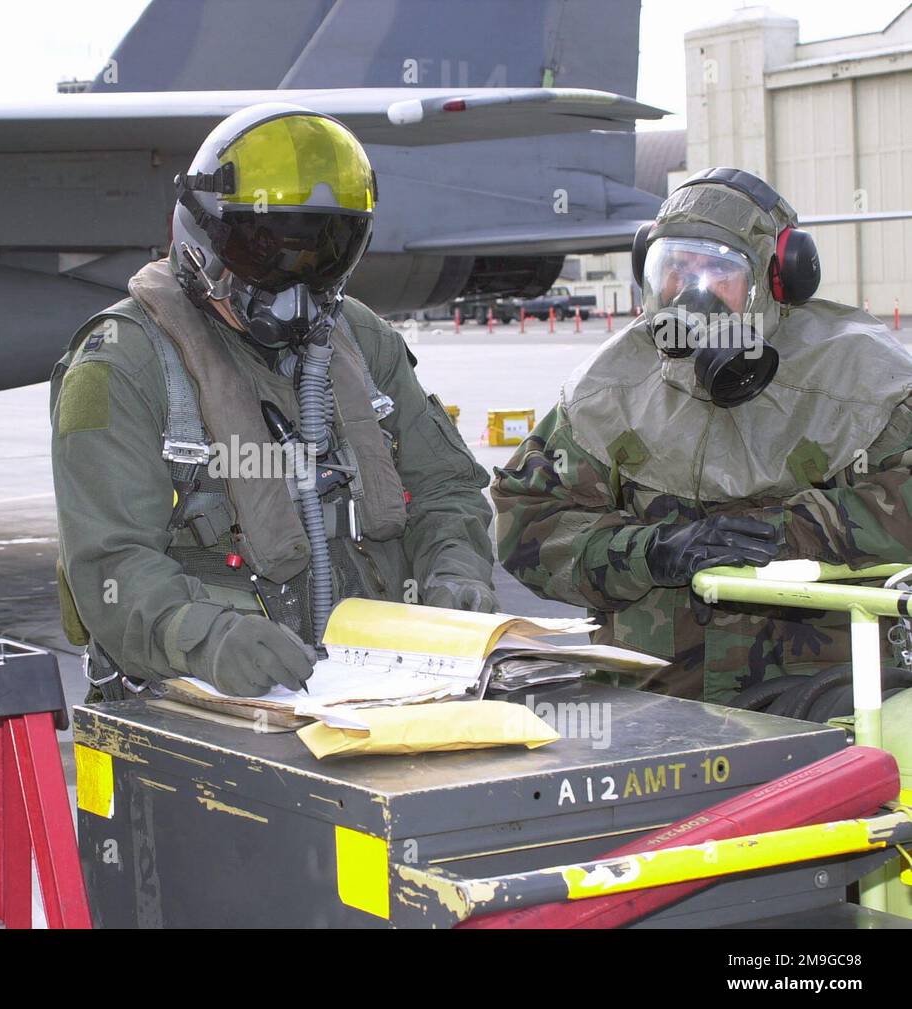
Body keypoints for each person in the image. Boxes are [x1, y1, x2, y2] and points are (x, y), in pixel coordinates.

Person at [51, 102, 496, 700]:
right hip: (201, 698)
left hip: (377, 689)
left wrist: (455, 572)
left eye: (320, 256)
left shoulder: (359, 340)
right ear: (202, 241)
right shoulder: (119, 365)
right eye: (270, 254)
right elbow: (109, 563)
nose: (296, 289)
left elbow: (446, 487)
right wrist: (207, 639)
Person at [493, 167, 912, 704]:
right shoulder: (610, 385)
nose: (689, 291)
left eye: (717, 269)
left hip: (822, 696)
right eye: (675, 267)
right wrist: (651, 552)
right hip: (653, 696)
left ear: (776, 278)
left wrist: (791, 532)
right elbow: (527, 521)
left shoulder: (860, 375)